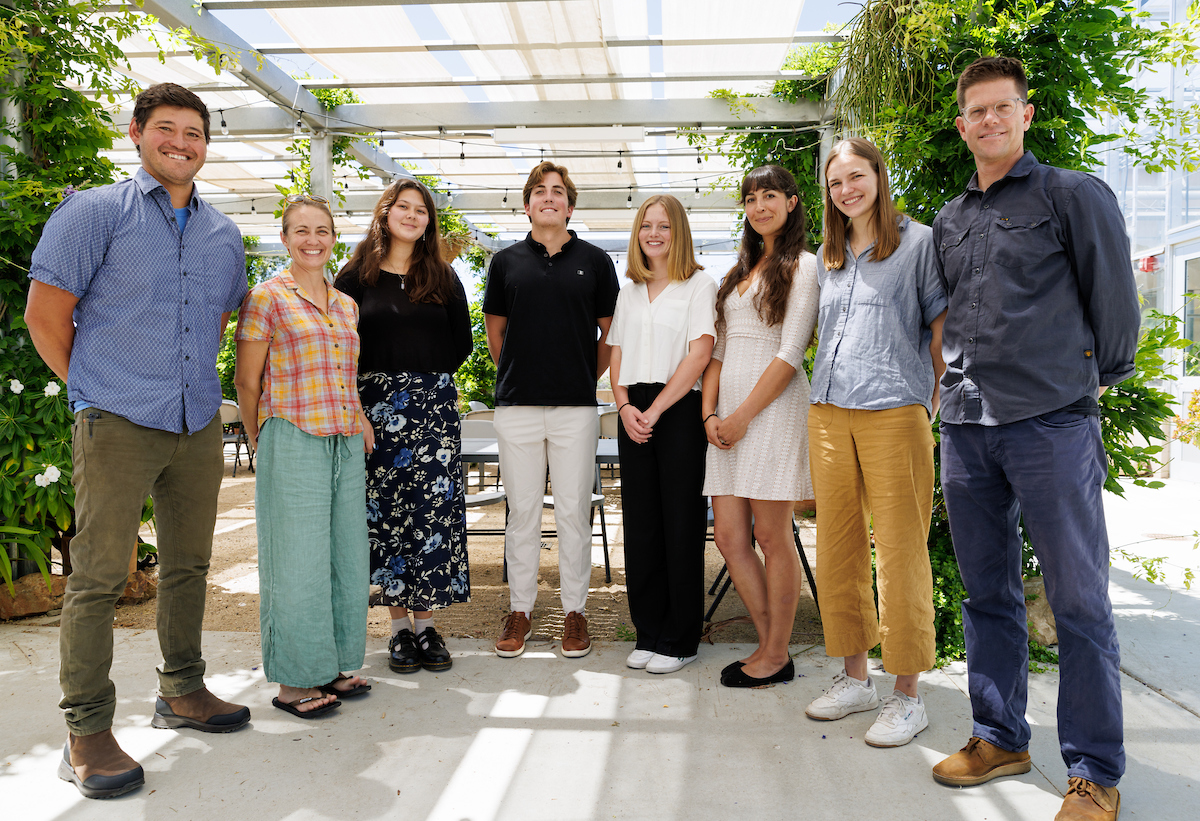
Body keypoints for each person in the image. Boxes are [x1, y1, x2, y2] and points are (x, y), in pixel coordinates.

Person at [25, 83, 250, 799]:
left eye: (193, 132)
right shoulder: (93, 212)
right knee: (96, 577)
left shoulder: (223, 236)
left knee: (189, 564)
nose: (180, 142)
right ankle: (86, 729)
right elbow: (45, 315)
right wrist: (96, 389)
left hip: (194, 423)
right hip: (116, 420)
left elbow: (215, 323)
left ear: (205, 146)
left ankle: (182, 687)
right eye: (166, 128)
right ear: (136, 133)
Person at [930, 57, 1139, 821]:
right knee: (986, 591)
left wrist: (1082, 388)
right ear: (962, 126)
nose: (988, 121)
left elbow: (1114, 312)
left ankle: (1094, 772)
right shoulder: (952, 218)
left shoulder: (1070, 194)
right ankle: (999, 734)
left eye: (1001, 108)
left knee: (1080, 600)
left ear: (1025, 113)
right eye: (975, 112)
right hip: (967, 428)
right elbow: (953, 317)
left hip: (1052, 424)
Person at [803, 137, 947, 747]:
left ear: (878, 177)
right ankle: (855, 678)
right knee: (836, 548)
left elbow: (943, 329)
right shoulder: (827, 256)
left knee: (900, 551)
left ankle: (907, 695)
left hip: (894, 410)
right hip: (830, 414)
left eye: (855, 177)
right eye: (836, 184)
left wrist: (934, 401)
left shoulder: (918, 244)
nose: (846, 191)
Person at [234, 194, 374, 719]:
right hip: (292, 436)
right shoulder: (268, 298)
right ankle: (294, 682)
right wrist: (259, 436)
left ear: (333, 238)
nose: (312, 239)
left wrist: (358, 420)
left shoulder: (346, 305)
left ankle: (333, 664)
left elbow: (347, 375)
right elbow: (247, 380)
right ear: (286, 238)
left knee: (344, 555)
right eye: (301, 231)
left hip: (343, 440)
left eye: (322, 230)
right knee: (296, 560)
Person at [334, 179, 472, 675]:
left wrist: (422, 382)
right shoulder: (354, 277)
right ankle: (398, 631)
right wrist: (361, 405)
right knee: (388, 517)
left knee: (430, 516)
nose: (413, 216)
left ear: (428, 220)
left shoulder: (443, 277)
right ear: (386, 213)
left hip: (433, 410)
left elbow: (463, 346)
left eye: (422, 210)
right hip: (374, 411)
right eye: (404, 207)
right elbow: (338, 347)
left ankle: (428, 626)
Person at [483, 161, 620, 658]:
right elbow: (496, 331)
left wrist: (588, 377)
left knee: (572, 513)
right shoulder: (505, 262)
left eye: (558, 191)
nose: (548, 198)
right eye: (539, 191)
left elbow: (611, 332)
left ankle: (575, 612)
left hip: (575, 408)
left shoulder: (596, 261)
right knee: (520, 512)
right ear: (527, 204)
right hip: (516, 406)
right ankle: (520, 610)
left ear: (569, 204)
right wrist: (517, 372)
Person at [701, 165, 820, 689]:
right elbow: (719, 352)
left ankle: (773, 653)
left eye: (769, 195)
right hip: (726, 418)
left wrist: (743, 416)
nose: (759, 206)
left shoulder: (806, 266)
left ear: (792, 202)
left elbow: (792, 352)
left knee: (773, 535)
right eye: (750, 198)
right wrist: (711, 415)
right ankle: (774, 642)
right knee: (728, 536)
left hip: (770, 410)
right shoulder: (738, 272)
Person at [608, 195, 716, 675]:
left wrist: (652, 409)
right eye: (646, 225)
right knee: (642, 524)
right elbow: (615, 357)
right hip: (633, 412)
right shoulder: (628, 291)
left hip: (677, 410)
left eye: (664, 226)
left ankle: (681, 637)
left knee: (680, 523)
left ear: (679, 233)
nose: (654, 234)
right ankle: (648, 631)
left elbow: (699, 354)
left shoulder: (700, 284)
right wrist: (626, 406)